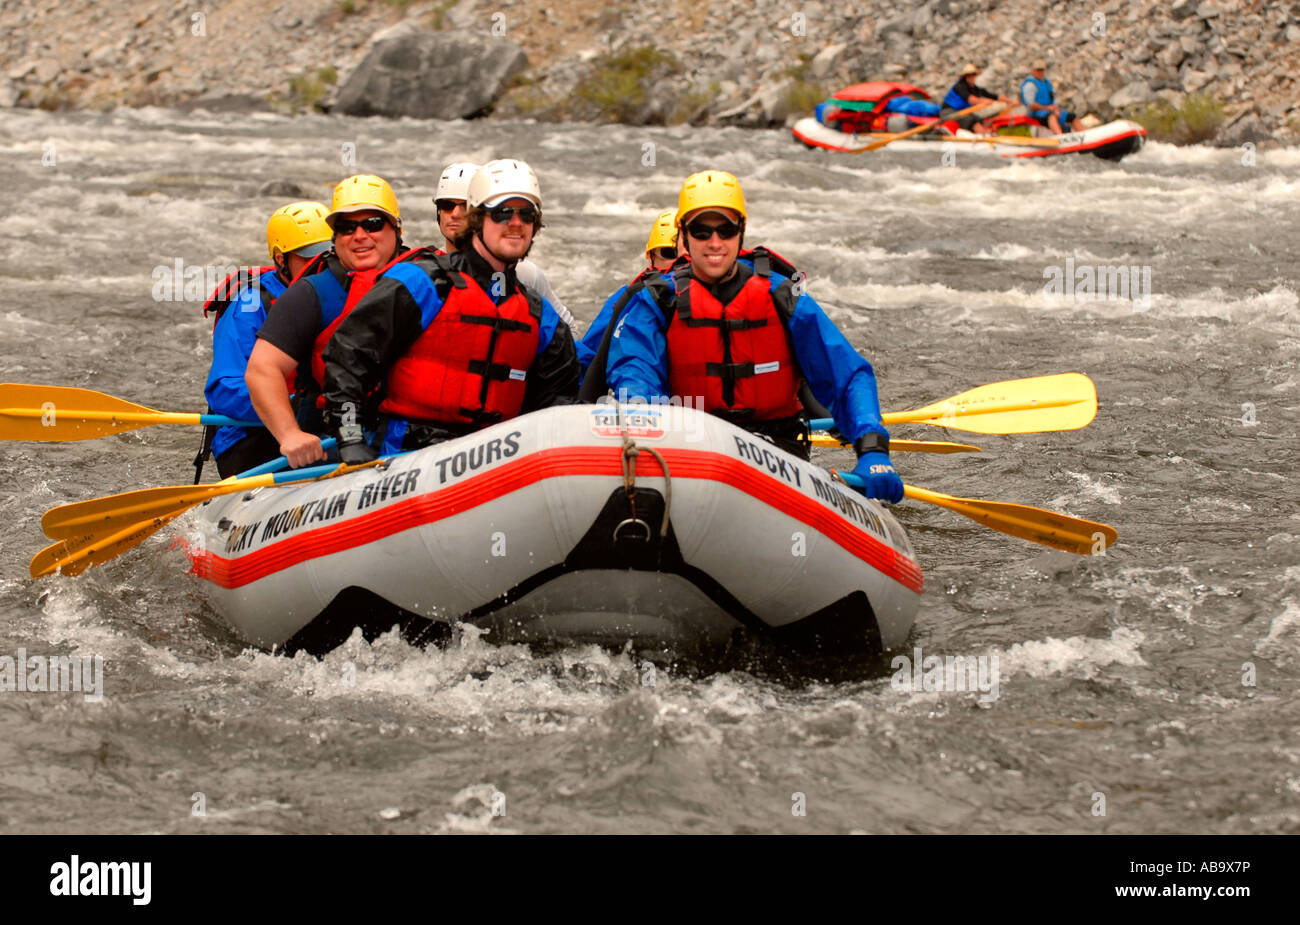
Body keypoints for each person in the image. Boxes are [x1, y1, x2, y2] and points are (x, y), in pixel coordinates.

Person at [603, 170, 904, 503]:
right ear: (684, 238)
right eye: (702, 231)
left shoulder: (782, 296)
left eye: (726, 229)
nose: (715, 242)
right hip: (690, 447)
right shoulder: (659, 300)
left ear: (741, 232)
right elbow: (635, 369)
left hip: (777, 453)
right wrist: (646, 426)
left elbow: (846, 375)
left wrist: (872, 447)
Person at [319, 158, 580, 462]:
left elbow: (559, 399)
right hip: (406, 455)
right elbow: (350, 354)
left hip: (494, 461)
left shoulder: (540, 316)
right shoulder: (422, 283)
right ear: (477, 220)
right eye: (502, 212)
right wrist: (349, 433)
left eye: (527, 214)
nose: (516, 222)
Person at [245, 174, 405, 468]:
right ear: (335, 238)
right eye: (346, 227)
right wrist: (290, 434)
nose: (359, 235)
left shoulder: (428, 279)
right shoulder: (310, 294)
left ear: (397, 229)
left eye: (373, 224)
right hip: (330, 440)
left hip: (409, 437)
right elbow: (261, 370)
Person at [200, 201, 332, 478]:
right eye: (309, 258)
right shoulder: (249, 304)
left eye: (327, 255)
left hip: (312, 421)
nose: (321, 266)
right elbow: (225, 390)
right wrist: (295, 406)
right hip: (251, 437)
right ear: (281, 258)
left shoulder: (337, 290)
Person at [434, 160, 577, 331]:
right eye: (447, 206)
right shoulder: (423, 273)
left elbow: (569, 333)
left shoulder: (525, 275)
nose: (455, 214)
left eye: (464, 206)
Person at [578, 207, 679, 398]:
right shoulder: (627, 299)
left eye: (685, 254)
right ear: (651, 257)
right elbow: (590, 357)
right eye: (668, 252)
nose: (678, 261)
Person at [940, 63, 1015, 135]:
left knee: (978, 119)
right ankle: (984, 135)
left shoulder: (974, 88)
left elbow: (993, 96)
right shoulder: (960, 86)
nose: (972, 77)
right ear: (966, 76)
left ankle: (987, 133)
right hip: (949, 112)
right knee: (970, 119)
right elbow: (971, 99)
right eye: (969, 75)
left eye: (973, 74)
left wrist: (1011, 101)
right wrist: (984, 101)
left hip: (962, 111)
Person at [1020, 59, 1080, 134]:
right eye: (1038, 70)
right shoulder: (1030, 85)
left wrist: (1055, 108)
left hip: (1048, 110)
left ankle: (1084, 134)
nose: (1040, 72)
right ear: (1033, 71)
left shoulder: (1046, 83)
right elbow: (1031, 105)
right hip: (1035, 114)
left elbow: (1052, 99)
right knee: (1052, 116)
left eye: (1042, 70)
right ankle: (1060, 137)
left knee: (1072, 116)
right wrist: (1047, 108)